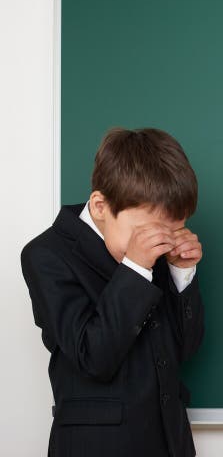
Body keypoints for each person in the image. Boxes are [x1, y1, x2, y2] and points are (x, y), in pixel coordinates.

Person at [20, 127, 205, 457]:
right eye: (148, 232)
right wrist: (136, 268)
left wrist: (181, 273)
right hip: (97, 447)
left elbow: (183, 350)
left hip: (171, 443)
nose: (161, 243)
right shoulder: (46, 255)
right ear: (100, 206)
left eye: (173, 231)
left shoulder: (158, 249)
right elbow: (94, 357)